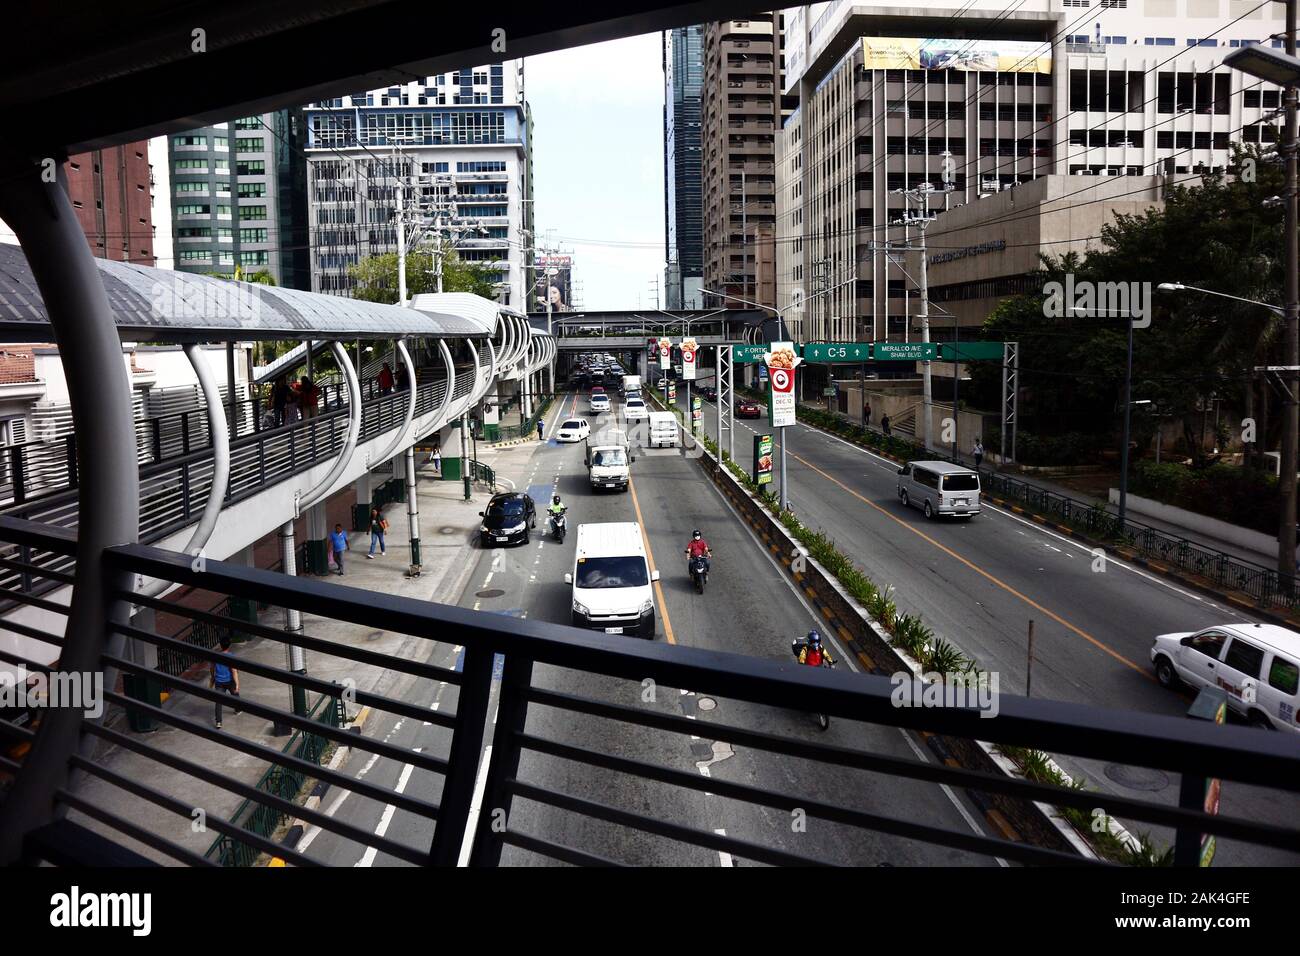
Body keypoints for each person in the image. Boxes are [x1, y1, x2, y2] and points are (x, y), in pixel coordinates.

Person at [211, 637, 240, 729]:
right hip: (230, 681)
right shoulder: (231, 656)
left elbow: (212, 668)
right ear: (229, 645)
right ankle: (237, 709)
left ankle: (218, 722)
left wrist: (212, 677)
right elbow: (234, 671)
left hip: (219, 682)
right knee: (235, 695)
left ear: (220, 645)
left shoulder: (216, 656)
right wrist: (237, 684)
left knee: (218, 702)